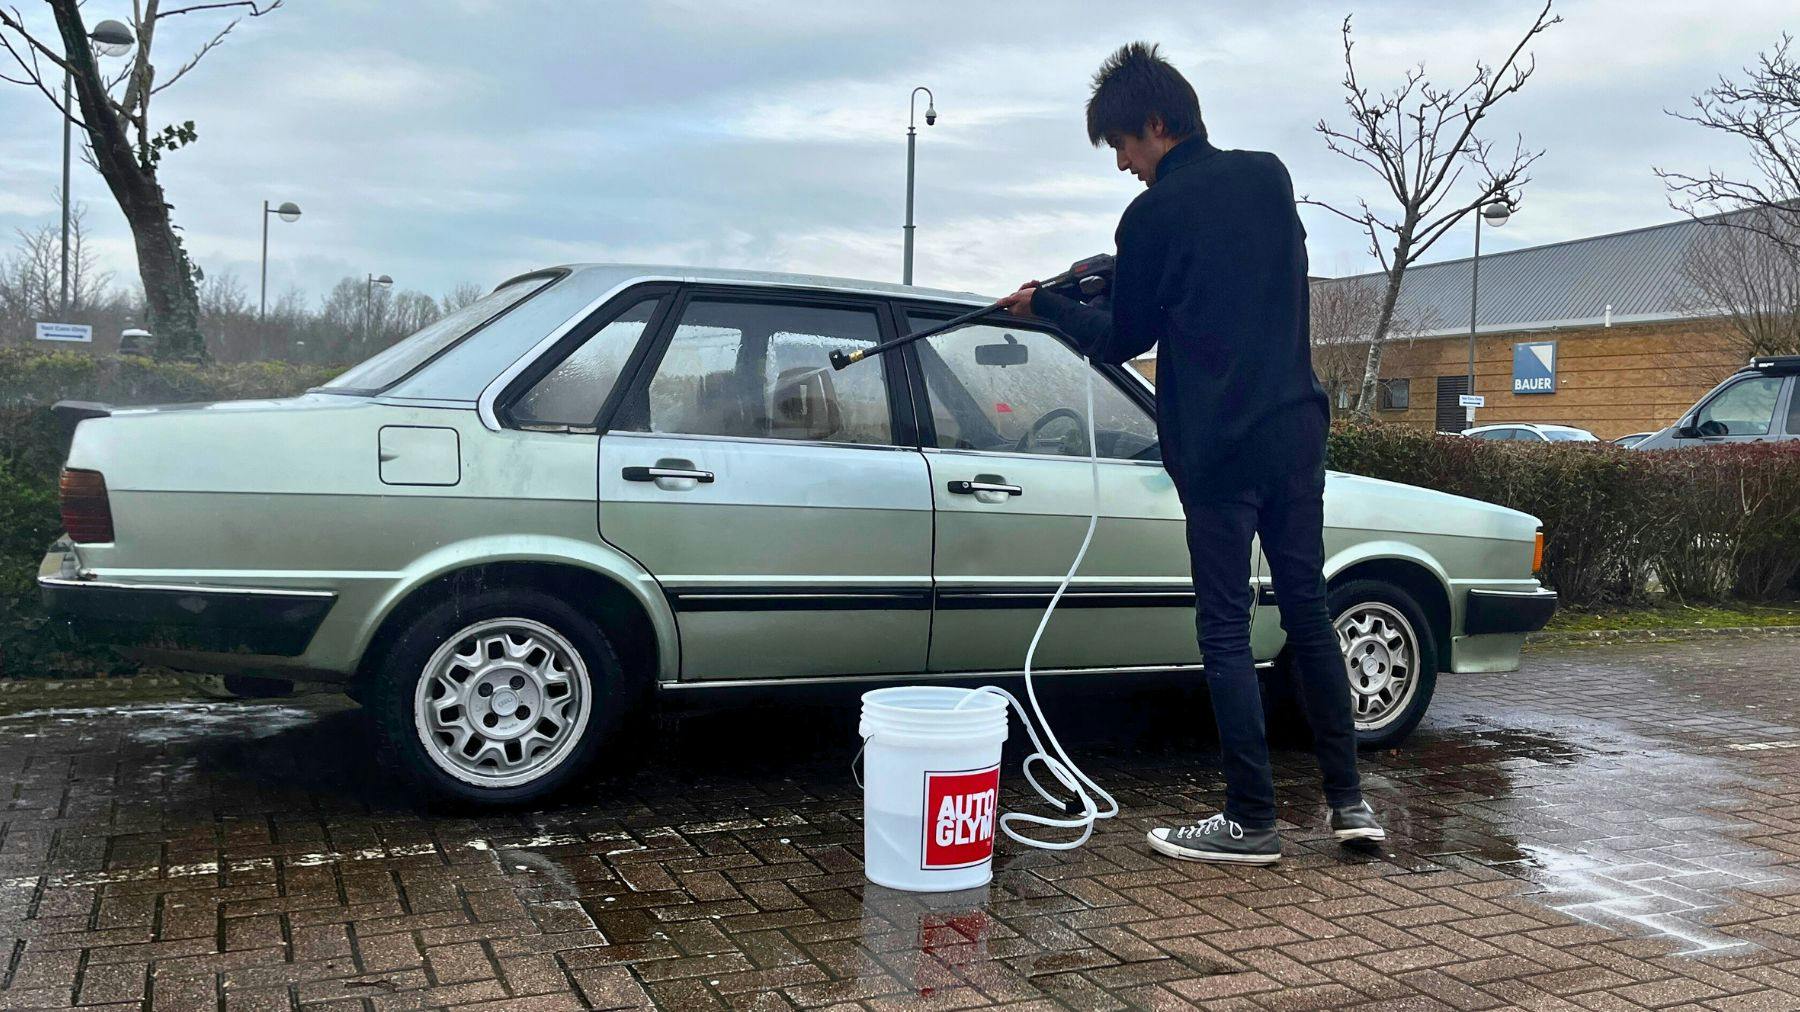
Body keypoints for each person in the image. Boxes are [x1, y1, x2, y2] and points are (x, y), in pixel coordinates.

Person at [997, 42, 1384, 865]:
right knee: (1308, 610)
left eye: (1124, 148)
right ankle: (1351, 805)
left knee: (1223, 629)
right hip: (1293, 430)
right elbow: (1237, 279)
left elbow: (1124, 336)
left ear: (1156, 124)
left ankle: (1252, 820)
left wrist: (1050, 308)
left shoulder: (1151, 216)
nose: (1125, 167)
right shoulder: (1269, 176)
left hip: (1217, 449)